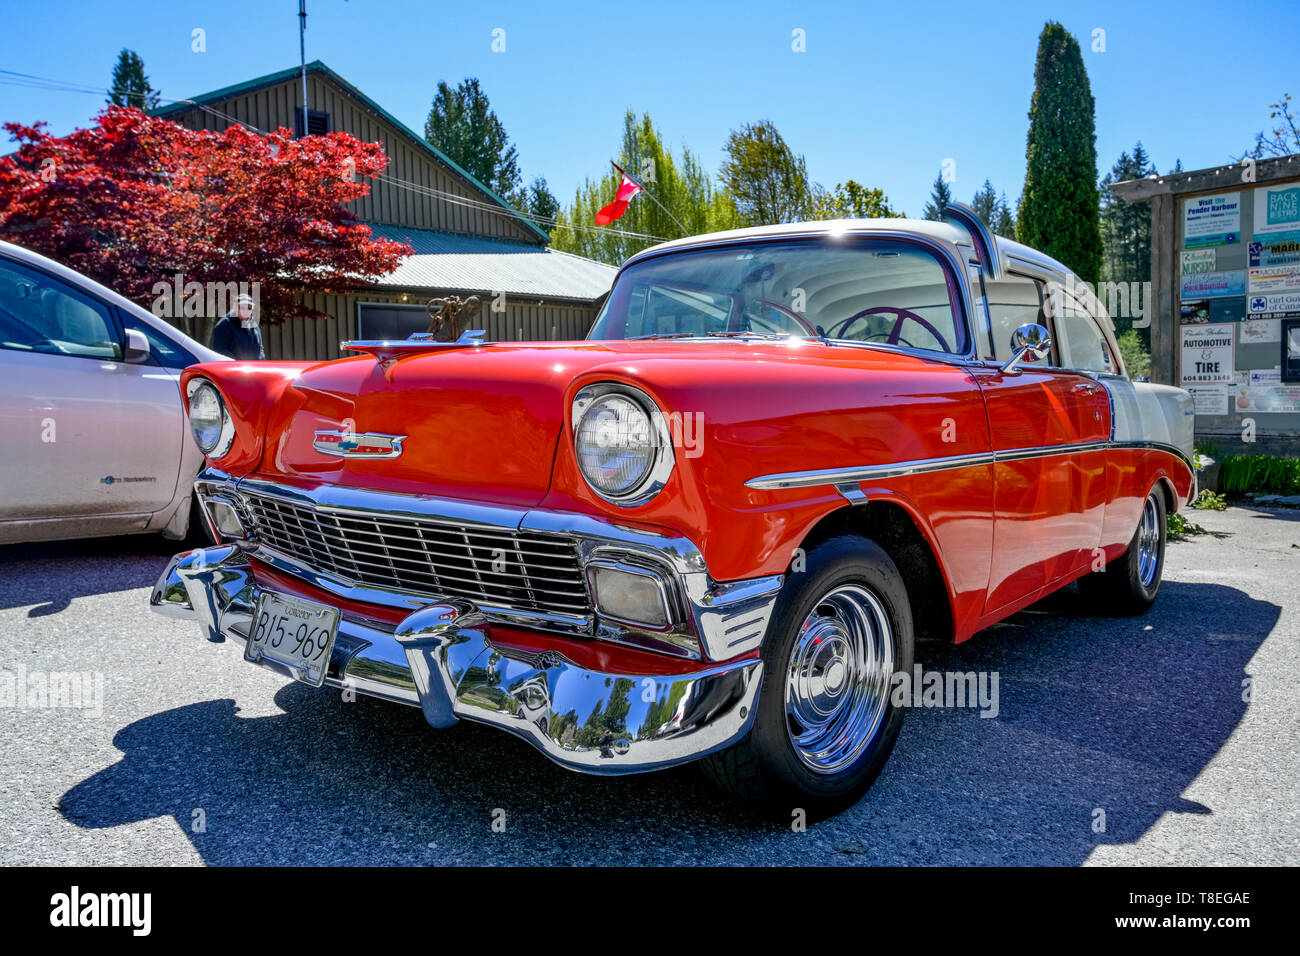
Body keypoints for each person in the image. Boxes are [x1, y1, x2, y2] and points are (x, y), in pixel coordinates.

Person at [209, 294, 266, 360]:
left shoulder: (254, 325)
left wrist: (261, 364)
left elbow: (260, 349)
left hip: (253, 368)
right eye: (242, 307)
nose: (246, 310)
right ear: (235, 308)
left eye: (249, 307)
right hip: (233, 368)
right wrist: (240, 363)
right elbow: (220, 351)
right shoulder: (225, 324)